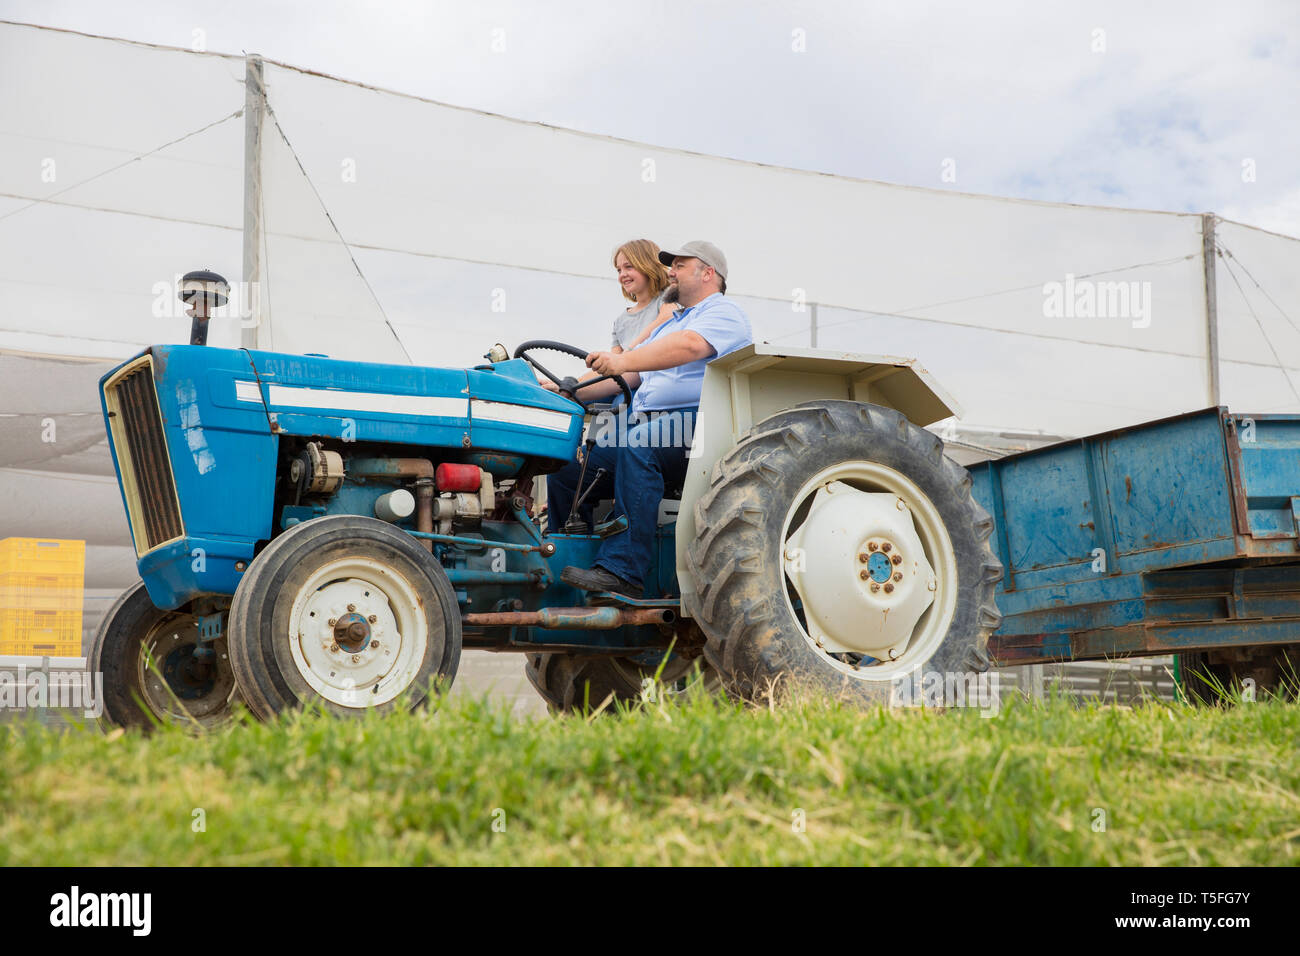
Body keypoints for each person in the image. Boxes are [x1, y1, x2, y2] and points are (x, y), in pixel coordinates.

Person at [549, 240, 753, 598]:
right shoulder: (670, 323)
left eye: (680, 265)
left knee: (637, 443)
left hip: (699, 423)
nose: (670, 271)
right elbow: (626, 377)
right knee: (568, 461)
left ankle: (625, 571)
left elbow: (688, 347)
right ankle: (564, 554)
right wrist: (563, 391)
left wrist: (624, 361)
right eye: (670, 265)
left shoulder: (723, 313)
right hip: (649, 422)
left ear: (708, 273)